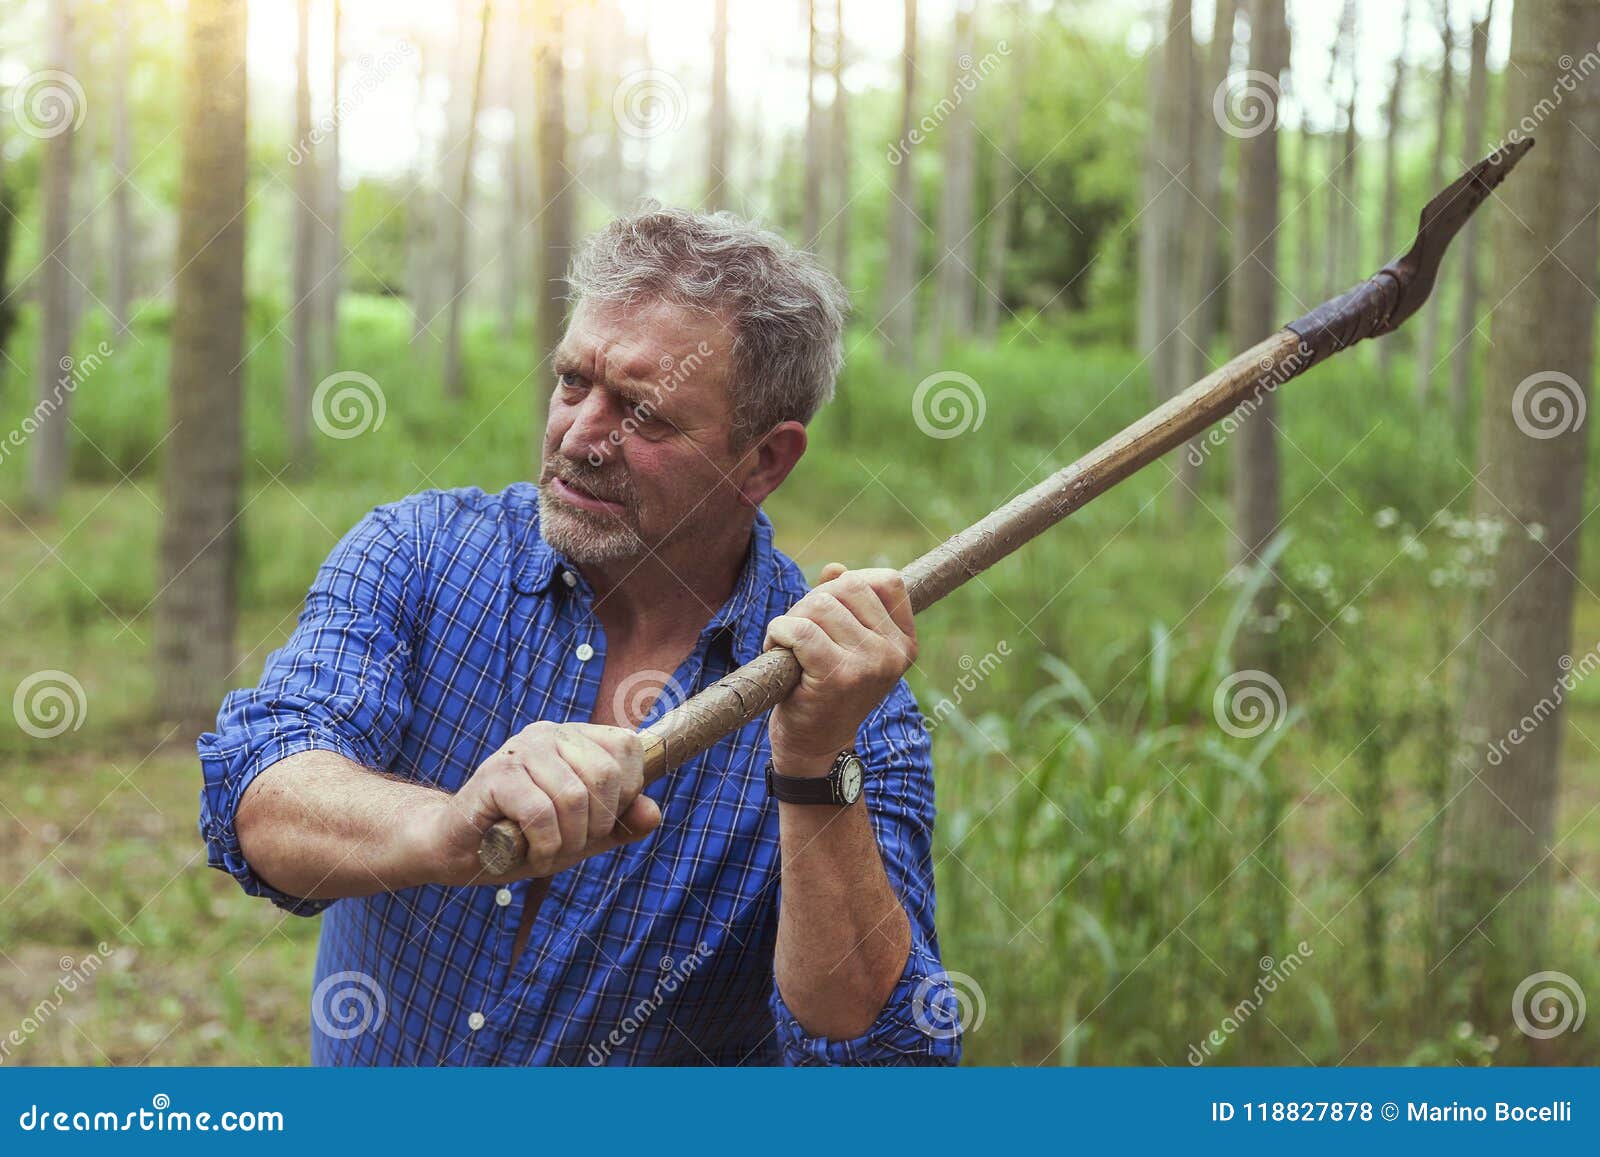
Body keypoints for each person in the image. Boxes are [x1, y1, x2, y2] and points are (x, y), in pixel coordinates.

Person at [198, 206, 960, 1065]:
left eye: (645, 413)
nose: (582, 436)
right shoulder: (415, 555)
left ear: (765, 460)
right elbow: (260, 791)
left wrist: (816, 766)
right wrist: (443, 828)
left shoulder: (845, 704)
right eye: (572, 382)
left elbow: (882, 1065)